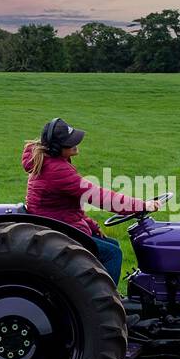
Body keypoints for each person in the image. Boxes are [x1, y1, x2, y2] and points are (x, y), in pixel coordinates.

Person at [21, 117, 161, 282]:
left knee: (113, 244)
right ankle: (106, 303)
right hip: (59, 232)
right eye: (70, 141)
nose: (75, 143)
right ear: (57, 147)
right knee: (113, 254)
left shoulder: (48, 162)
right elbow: (99, 196)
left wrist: (91, 225)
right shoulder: (56, 169)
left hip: (58, 225)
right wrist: (142, 205)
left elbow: (64, 208)